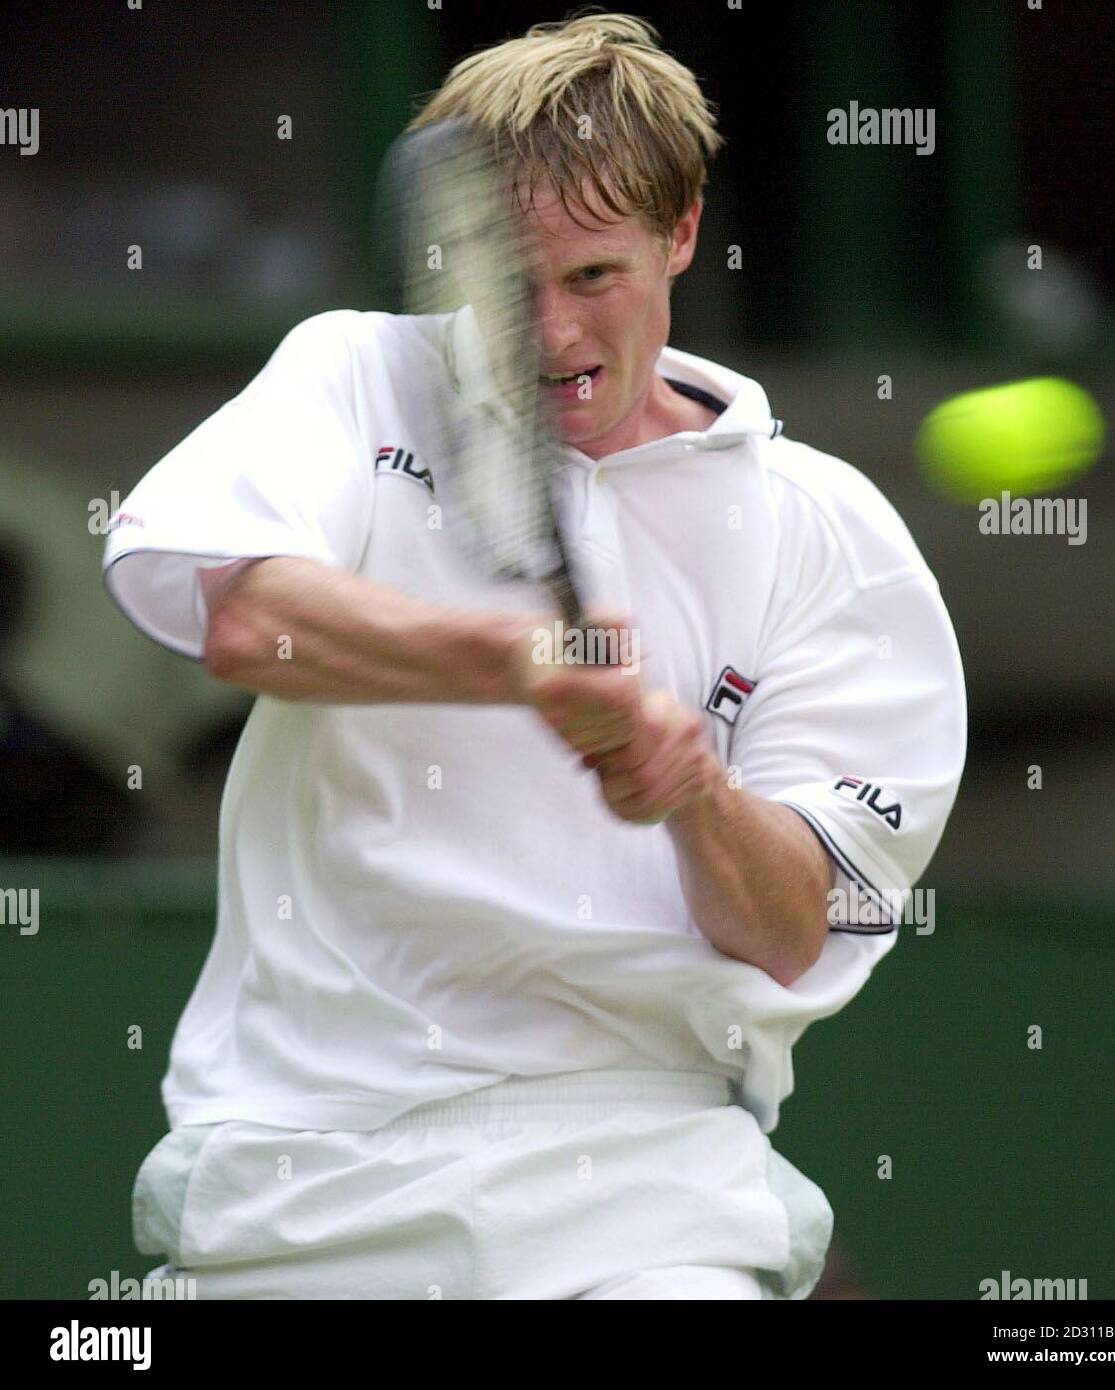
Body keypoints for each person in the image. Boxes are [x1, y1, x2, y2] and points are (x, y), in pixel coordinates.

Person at [106, 13, 965, 1300]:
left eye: (592, 278)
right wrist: (515, 659)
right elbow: (243, 616)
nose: (551, 334)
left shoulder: (829, 531)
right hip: (302, 1173)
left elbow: (798, 927)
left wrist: (691, 790)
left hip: (644, 1188)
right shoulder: (351, 375)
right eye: (510, 282)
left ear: (679, 234)